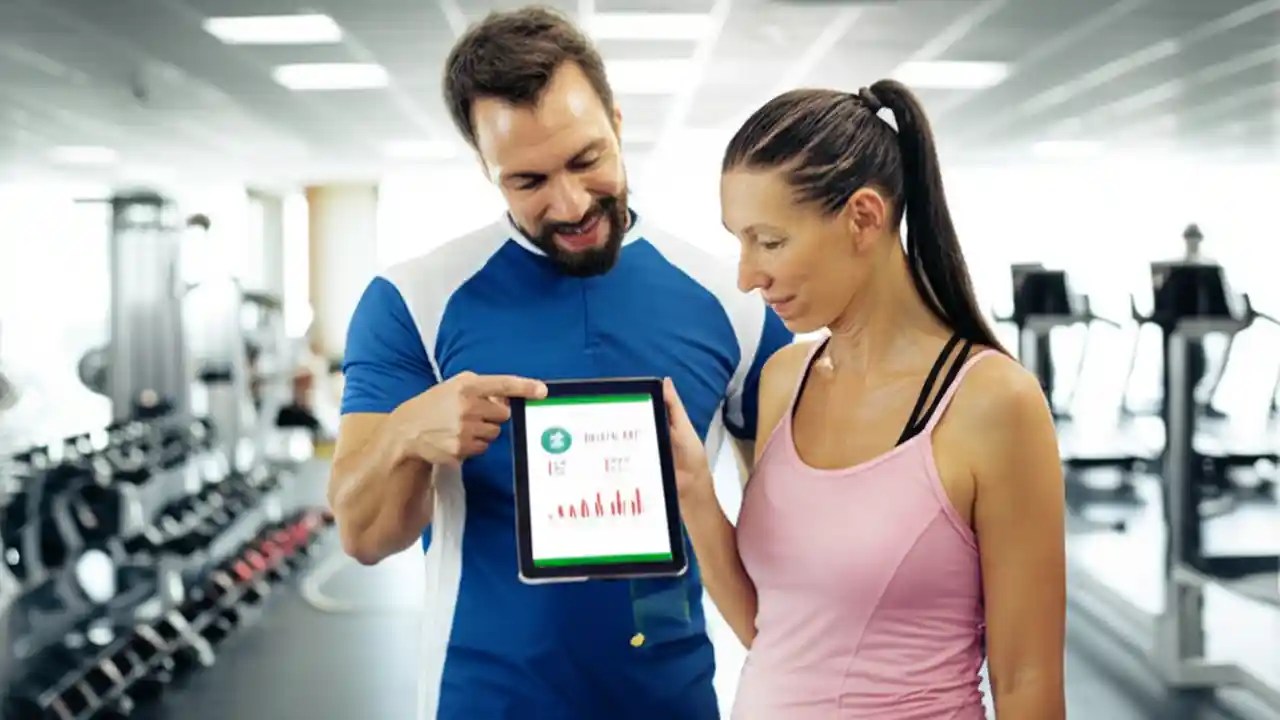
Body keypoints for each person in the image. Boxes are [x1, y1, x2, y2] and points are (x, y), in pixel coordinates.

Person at [325, 7, 791, 720]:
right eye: (528, 181)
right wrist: (407, 435)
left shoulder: (737, 304)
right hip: (484, 699)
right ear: (487, 169)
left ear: (617, 122)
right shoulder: (412, 302)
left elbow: (793, 549)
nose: (570, 203)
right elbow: (363, 536)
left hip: (672, 701)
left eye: (587, 160)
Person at [661, 82, 1068, 718]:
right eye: (739, 242)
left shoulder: (992, 402)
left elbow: (1028, 683)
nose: (746, 274)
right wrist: (694, 495)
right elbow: (779, 637)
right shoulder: (784, 380)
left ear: (864, 217)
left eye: (769, 242)